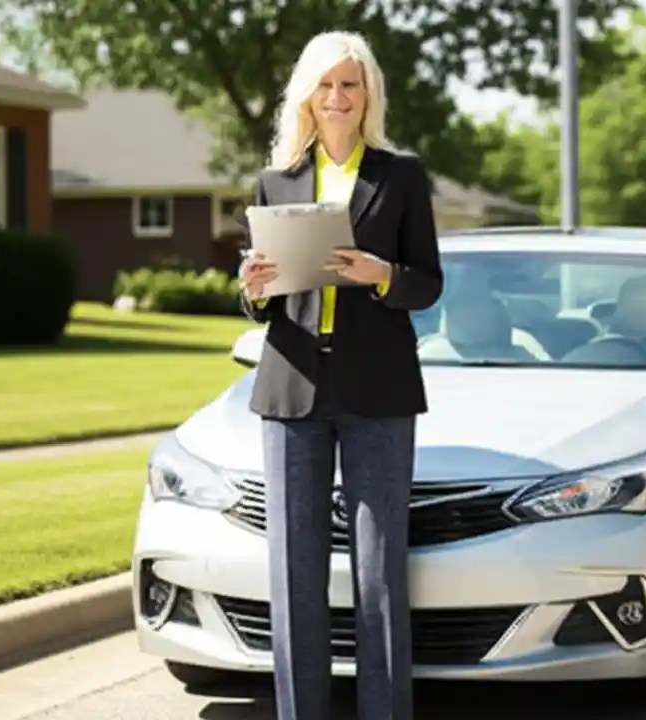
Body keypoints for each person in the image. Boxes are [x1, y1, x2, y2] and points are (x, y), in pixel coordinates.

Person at [237, 31, 443, 720]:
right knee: (293, 575)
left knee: (381, 574)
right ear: (307, 95)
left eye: (350, 84)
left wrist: (383, 276)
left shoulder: (401, 175)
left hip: (379, 389)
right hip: (292, 384)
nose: (337, 97)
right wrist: (254, 287)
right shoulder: (277, 181)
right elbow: (261, 302)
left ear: (368, 96)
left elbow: (427, 284)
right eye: (325, 85)